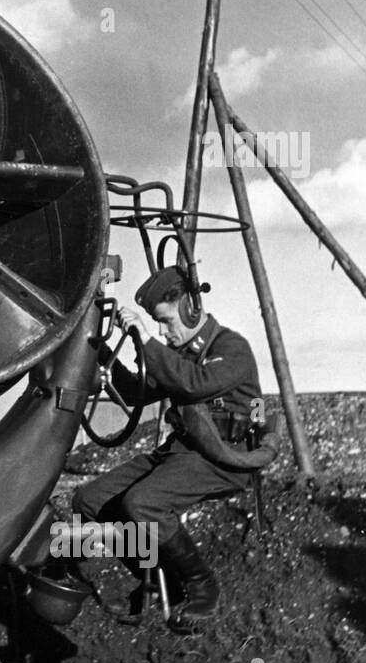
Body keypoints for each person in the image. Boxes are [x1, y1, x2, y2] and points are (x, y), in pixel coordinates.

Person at [71, 266, 261, 632]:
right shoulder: (179, 352)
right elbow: (134, 391)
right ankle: (163, 577)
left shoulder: (230, 348)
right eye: (157, 324)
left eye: (166, 321)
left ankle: (202, 586)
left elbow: (193, 384)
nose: (162, 330)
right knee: (89, 501)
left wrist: (147, 340)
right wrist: (97, 347)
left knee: (143, 503)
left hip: (223, 458)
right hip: (181, 452)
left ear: (191, 307)